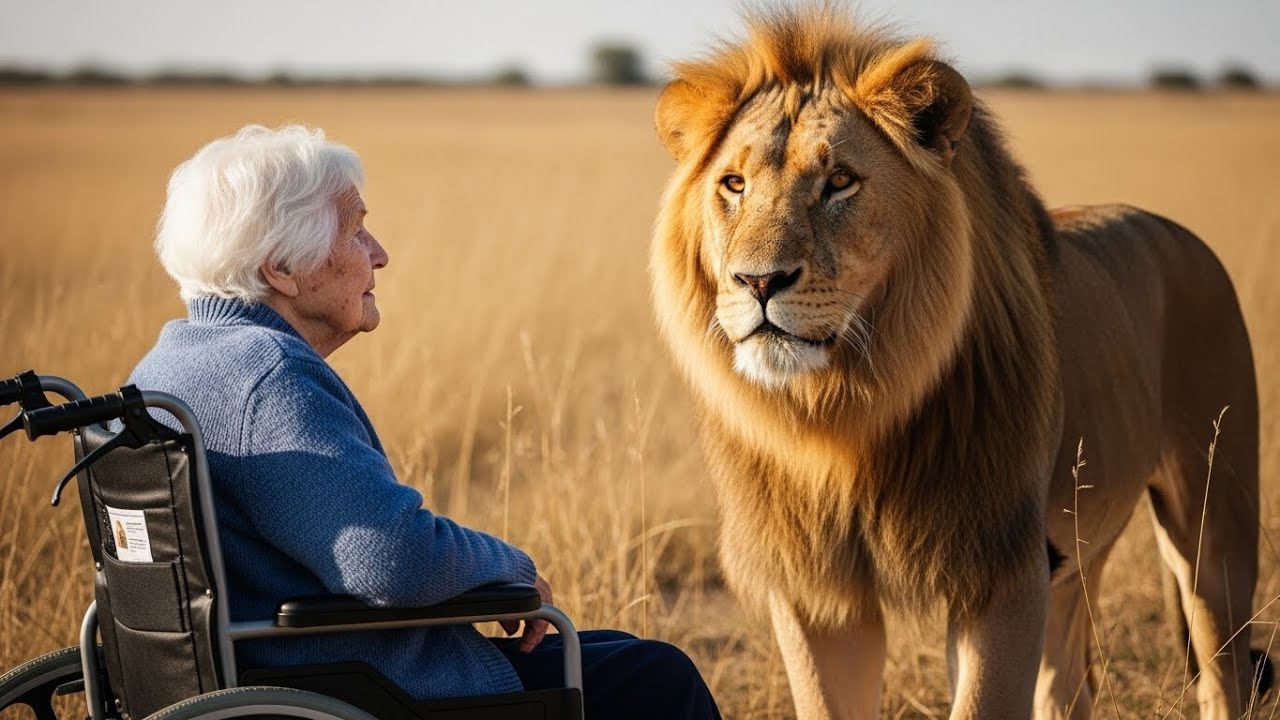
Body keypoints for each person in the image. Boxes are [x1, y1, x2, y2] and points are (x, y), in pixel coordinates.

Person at [130, 124, 720, 719]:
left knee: (616, 653)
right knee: (658, 675)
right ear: (281, 266)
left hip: (267, 670)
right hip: (353, 685)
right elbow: (390, 561)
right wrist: (510, 569)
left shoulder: (164, 363)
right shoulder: (268, 374)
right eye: (356, 230)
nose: (380, 252)